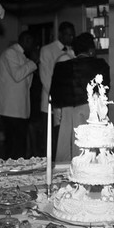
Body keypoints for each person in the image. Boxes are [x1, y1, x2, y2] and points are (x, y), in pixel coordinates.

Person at [50, 32, 110, 162]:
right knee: (89, 150)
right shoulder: (99, 64)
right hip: (90, 111)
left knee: (67, 148)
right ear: (91, 51)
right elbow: (105, 89)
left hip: (67, 111)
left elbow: (54, 93)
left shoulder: (61, 66)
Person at [0, 31, 39, 159]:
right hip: (10, 109)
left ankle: (18, 171)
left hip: (21, 108)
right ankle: (10, 173)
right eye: (32, 42)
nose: (33, 46)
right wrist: (33, 63)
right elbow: (17, 75)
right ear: (26, 40)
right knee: (13, 146)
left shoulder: (23, 56)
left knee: (20, 145)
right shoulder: (10, 53)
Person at [39, 21, 75, 157]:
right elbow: (46, 77)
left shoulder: (71, 51)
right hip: (50, 101)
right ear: (60, 34)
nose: (70, 38)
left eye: (72, 35)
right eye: (68, 35)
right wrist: (57, 98)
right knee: (49, 140)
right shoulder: (47, 50)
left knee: (63, 139)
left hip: (66, 103)